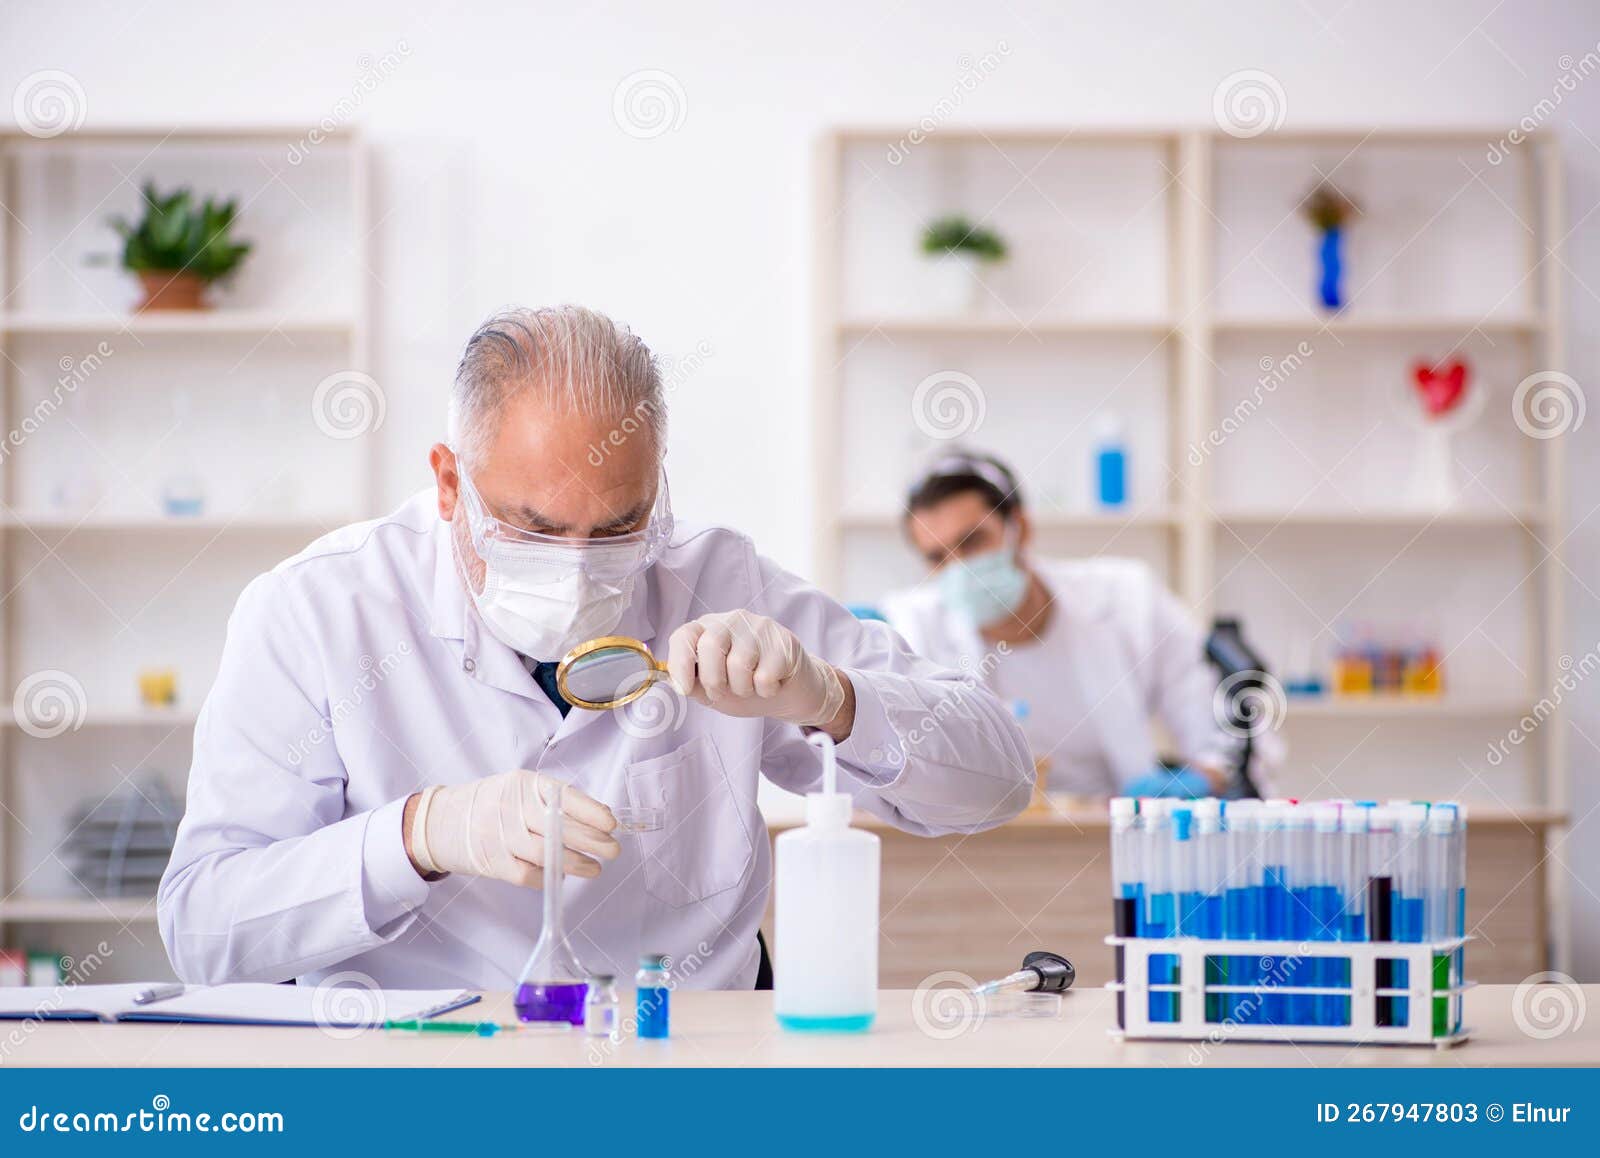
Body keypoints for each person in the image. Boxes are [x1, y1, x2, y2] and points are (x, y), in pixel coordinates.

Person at [158, 307, 1033, 991]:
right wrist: (417, 835)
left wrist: (833, 699)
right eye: (533, 529)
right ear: (450, 481)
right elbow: (204, 930)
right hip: (425, 1073)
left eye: (618, 527)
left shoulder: (719, 577)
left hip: (692, 1059)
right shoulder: (318, 609)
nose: (578, 571)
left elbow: (999, 779)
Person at [881, 450, 1236, 799]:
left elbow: (1222, 737)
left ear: (1018, 528)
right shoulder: (912, 627)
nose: (958, 569)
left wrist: (1205, 779)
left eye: (972, 541)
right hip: (990, 840)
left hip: (1114, 825)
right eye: (937, 557)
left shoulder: (1128, 599)